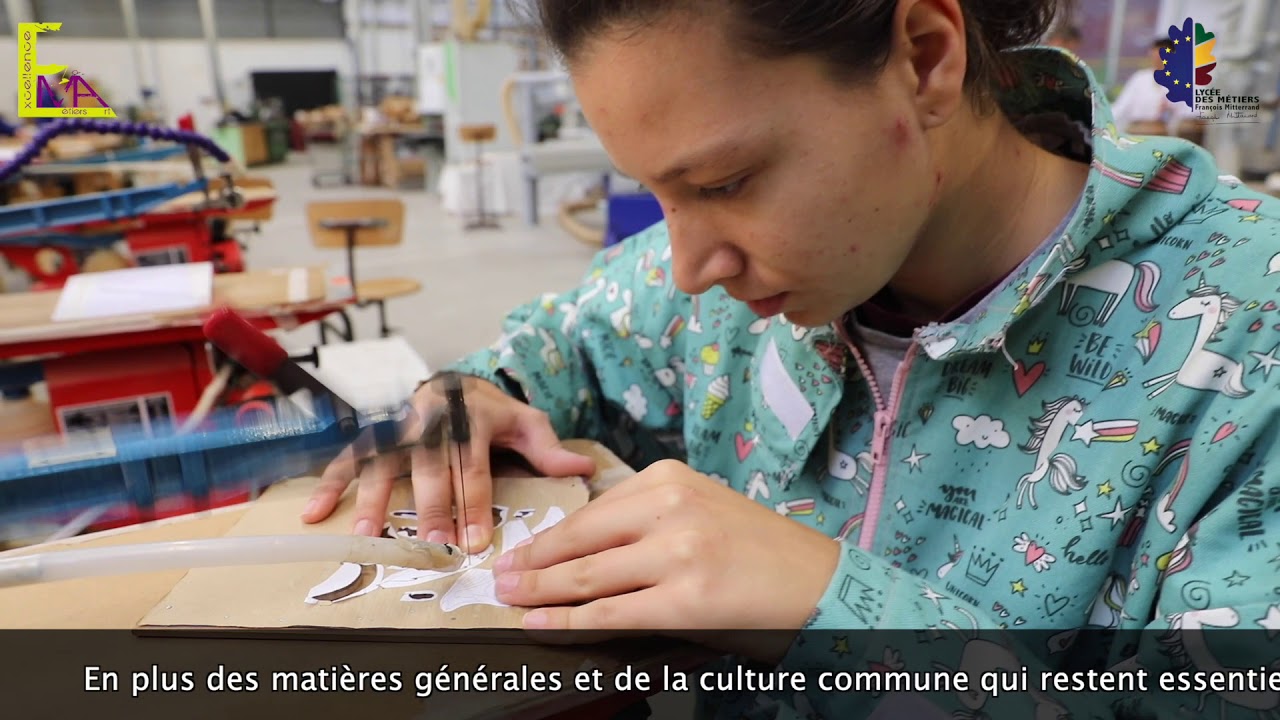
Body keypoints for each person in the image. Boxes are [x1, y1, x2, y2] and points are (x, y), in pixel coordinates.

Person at [304, 1, 1280, 717]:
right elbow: (556, 345)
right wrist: (470, 394)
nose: (689, 266)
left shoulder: (1248, 328)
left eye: (726, 181)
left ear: (925, 57)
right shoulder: (734, 294)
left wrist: (836, 612)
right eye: (659, 193)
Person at [1109, 38, 1198, 136]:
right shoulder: (1140, 78)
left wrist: (1171, 109)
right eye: (1154, 55)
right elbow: (1121, 106)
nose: (1157, 60)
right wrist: (1105, 120)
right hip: (1136, 130)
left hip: (1163, 131)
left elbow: (1189, 112)